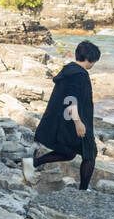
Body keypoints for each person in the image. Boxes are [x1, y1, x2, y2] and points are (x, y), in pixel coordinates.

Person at [23, 40, 100, 190]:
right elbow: (71, 99)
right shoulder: (79, 75)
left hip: (63, 120)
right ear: (89, 58)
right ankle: (83, 190)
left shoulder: (69, 70)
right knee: (90, 154)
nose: (93, 64)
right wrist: (78, 122)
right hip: (74, 120)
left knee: (69, 152)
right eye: (94, 60)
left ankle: (33, 163)